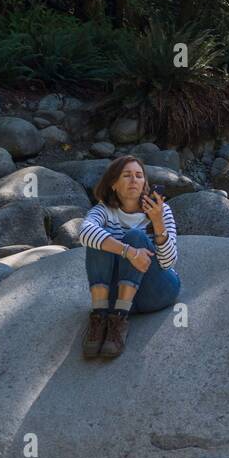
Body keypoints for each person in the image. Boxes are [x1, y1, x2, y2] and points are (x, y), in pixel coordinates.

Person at [78, 154, 180, 360]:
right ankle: (100, 317)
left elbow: (169, 262)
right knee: (97, 241)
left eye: (139, 175)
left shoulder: (161, 211)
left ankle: (119, 321)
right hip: (116, 294)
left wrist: (158, 222)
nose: (134, 180)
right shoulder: (104, 211)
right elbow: (84, 233)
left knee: (136, 236)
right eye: (126, 175)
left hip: (157, 291)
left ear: (145, 184)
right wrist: (129, 252)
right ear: (114, 184)